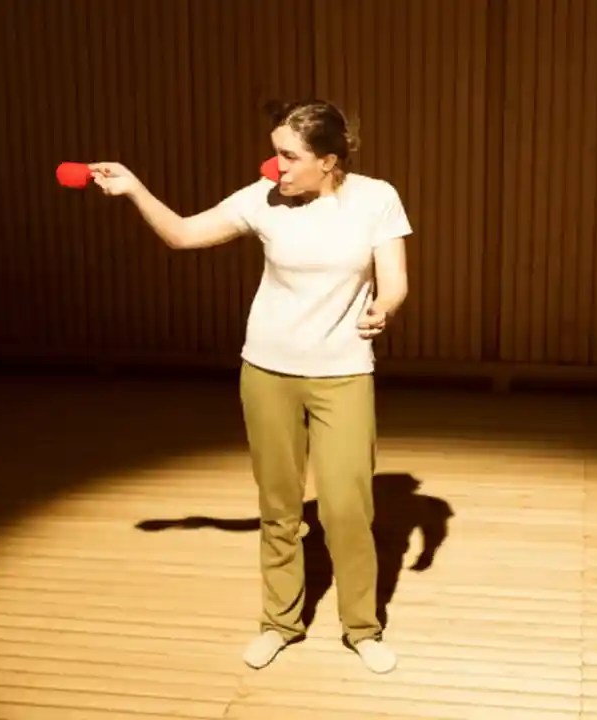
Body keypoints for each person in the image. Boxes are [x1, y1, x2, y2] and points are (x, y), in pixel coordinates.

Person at [89, 99, 411, 674]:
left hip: (342, 375)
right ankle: (279, 623)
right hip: (267, 371)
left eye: (289, 155)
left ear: (329, 160)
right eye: (275, 151)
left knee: (344, 507)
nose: (275, 165)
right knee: (279, 507)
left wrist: (382, 309)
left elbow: (394, 282)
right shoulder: (259, 199)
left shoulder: (376, 199)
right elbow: (184, 235)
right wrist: (136, 189)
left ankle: (362, 628)